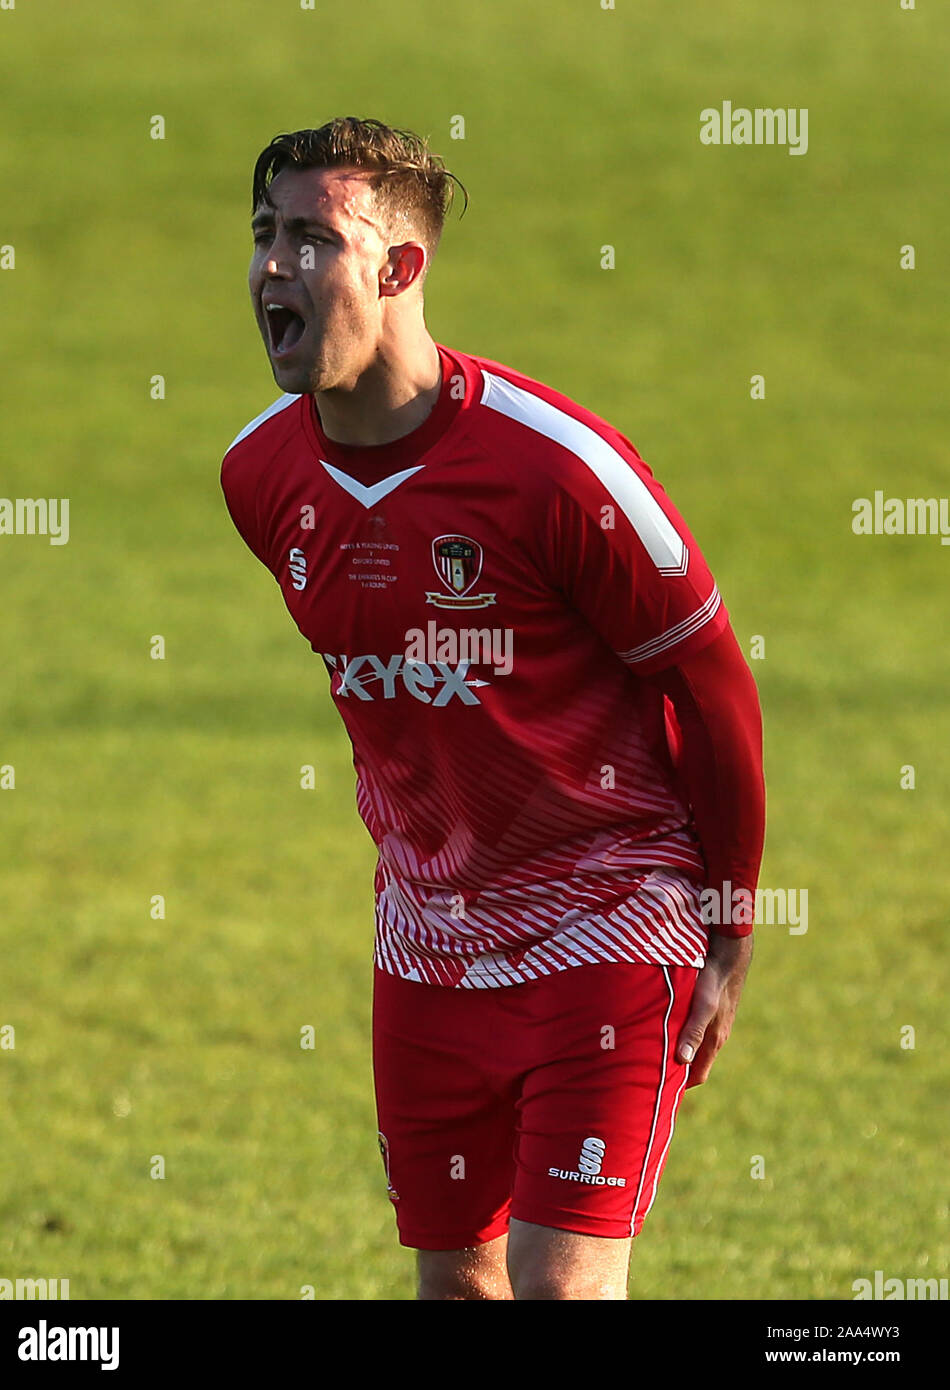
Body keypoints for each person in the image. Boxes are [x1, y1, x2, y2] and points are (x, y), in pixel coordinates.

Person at [221, 116, 765, 1301]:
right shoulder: (259, 478)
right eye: (265, 235)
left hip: (610, 917)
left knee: (558, 1284)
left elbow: (710, 681)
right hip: (426, 936)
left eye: (314, 237)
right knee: (459, 1288)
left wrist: (726, 917)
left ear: (400, 269)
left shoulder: (558, 471)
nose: (274, 265)